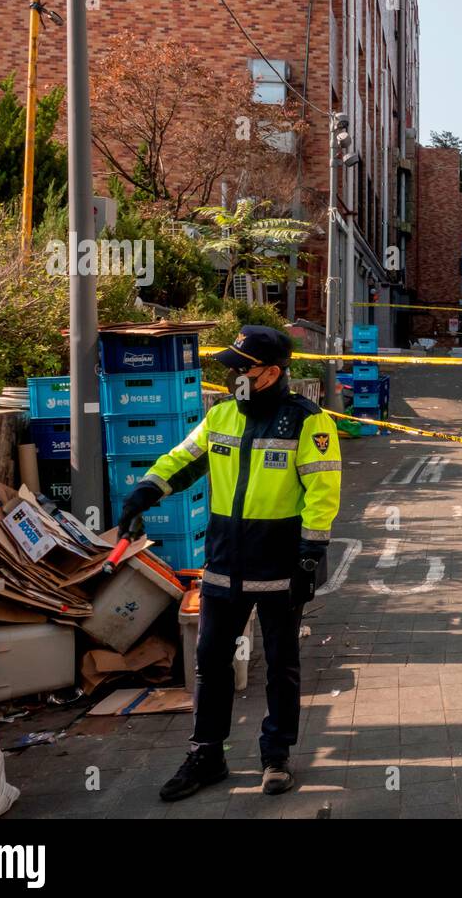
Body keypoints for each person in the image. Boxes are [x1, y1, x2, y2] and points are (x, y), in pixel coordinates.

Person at [116, 325, 342, 801]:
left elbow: (323, 493)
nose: (234, 375)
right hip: (224, 559)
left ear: (271, 373)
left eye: (243, 368)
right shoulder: (221, 416)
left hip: (281, 561)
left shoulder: (307, 421)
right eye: (232, 368)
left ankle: (275, 755)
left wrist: (311, 554)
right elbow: (182, 459)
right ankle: (207, 754)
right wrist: (142, 494)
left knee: (282, 664)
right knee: (211, 661)